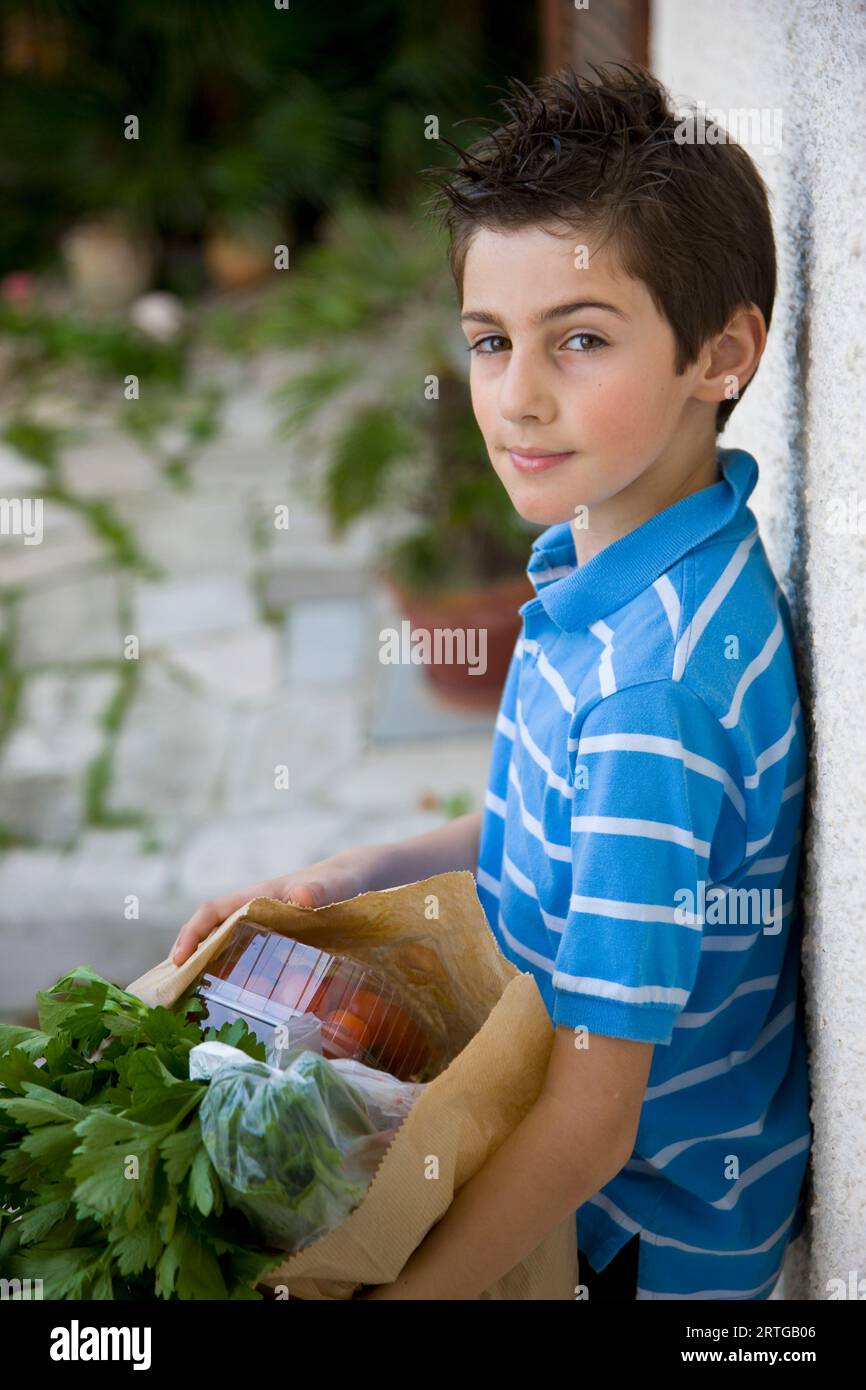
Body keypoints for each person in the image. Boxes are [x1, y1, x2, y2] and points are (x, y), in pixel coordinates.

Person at [172, 63, 811, 1301]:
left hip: (625, 1236)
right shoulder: (622, 556)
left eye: (578, 339)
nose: (515, 395)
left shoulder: (651, 696)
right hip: (557, 1151)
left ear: (720, 353)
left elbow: (588, 1126)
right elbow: (565, 832)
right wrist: (349, 877)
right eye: (487, 341)